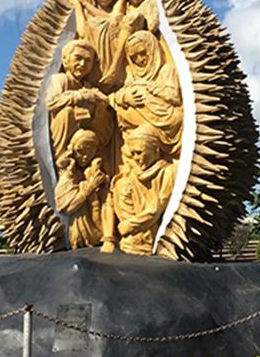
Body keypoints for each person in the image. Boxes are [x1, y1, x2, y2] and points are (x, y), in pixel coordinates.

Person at [104, 125, 176, 255]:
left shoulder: (169, 172)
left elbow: (159, 206)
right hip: (129, 242)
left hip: (150, 239)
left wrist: (130, 225)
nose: (136, 158)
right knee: (121, 184)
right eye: (132, 154)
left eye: (139, 152)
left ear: (156, 150)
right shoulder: (131, 175)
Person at [112, 30, 183, 157]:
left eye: (142, 53)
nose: (140, 60)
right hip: (142, 123)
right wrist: (125, 98)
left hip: (167, 121)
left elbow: (175, 98)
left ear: (152, 49)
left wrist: (154, 88)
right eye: (134, 57)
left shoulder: (166, 70)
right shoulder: (132, 74)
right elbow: (116, 96)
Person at [45, 39, 114, 167]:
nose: (82, 64)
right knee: (67, 113)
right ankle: (62, 159)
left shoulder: (88, 85)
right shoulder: (61, 79)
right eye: (78, 58)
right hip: (66, 131)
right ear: (66, 60)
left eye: (88, 61)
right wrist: (79, 96)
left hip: (86, 135)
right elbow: (51, 103)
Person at [71, 0, 143, 91]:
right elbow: (82, 32)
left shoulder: (118, 9)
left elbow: (112, 20)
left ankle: (115, 70)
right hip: (96, 67)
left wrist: (86, 4)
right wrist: (79, 7)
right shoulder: (86, 15)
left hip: (118, 65)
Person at [54, 130, 110, 248]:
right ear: (73, 151)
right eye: (81, 152)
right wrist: (90, 187)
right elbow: (68, 207)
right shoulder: (68, 175)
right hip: (80, 232)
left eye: (90, 153)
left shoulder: (89, 171)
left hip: (96, 229)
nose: (85, 157)